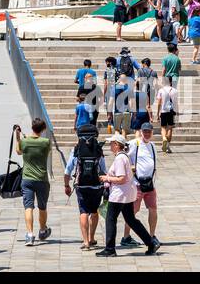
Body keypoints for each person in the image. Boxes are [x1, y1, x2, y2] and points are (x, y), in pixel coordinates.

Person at [95, 135, 159, 257]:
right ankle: (150, 243)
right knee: (131, 220)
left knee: (110, 219)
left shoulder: (120, 158)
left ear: (117, 144)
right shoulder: (124, 156)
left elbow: (121, 178)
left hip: (119, 194)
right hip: (128, 193)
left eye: (111, 143)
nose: (110, 146)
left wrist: (106, 178)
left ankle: (110, 249)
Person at [63, 122, 106, 250]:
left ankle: (86, 242)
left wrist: (66, 185)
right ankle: (92, 238)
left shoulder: (76, 150)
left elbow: (67, 171)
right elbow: (103, 169)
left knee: (83, 211)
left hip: (81, 186)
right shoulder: (98, 149)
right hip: (96, 186)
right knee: (94, 211)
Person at [14, 119, 52, 246]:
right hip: (42, 179)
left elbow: (18, 151)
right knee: (42, 207)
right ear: (43, 129)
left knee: (28, 207)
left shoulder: (24, 142)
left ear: (32, 127)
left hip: (27, 179)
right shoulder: (46, 142)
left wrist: (18, 138)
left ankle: (30, 235)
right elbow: (47, 151)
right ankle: (42, 230)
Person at [122, 123, 159, 247]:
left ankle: (152, 235)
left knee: (153, 209)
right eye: (145, 131)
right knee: (133, 211)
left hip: (149, 184)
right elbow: (123, 155)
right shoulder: (134, 143)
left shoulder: (153, 146)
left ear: (152, 132)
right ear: (141, 132)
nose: (147, 134)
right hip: (137, 184)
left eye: (149, 131)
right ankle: (126, 237)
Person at [154, 77, 179, 153]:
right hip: (171, 112)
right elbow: (175, 102)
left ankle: (164, 138)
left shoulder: (161, 90)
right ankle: (167, 146)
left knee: (163, 128)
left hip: (163, 111)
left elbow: (159, 103)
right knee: (170, 128)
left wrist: (158, 114)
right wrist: (177, 111)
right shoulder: (175, 91)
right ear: (171, 82)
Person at [111, 74, 132, 139]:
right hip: (126, 111)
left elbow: (111, 101)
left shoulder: (114, 88)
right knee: (124, 130)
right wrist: (130, 111)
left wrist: (109, 112)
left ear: (119, 79)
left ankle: (117, 145)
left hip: (117, 112)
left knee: (117, 130)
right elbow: (131, 101)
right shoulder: (128, 88)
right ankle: (123, 145)